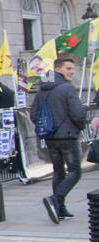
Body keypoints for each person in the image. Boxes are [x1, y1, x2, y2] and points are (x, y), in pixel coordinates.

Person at [32, 55, 88, 222]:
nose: (72, 72)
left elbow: (33, 114)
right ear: (58, 69)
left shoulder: (43, 88)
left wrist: (49, 128)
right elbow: (78, 114)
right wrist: (79, 126)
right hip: (68, 136)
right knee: (75, 172)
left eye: (72, 69)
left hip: (50, 137)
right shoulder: (67, 88)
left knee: (59, 171)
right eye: (68, 68)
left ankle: (60, 209)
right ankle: (55, 200)